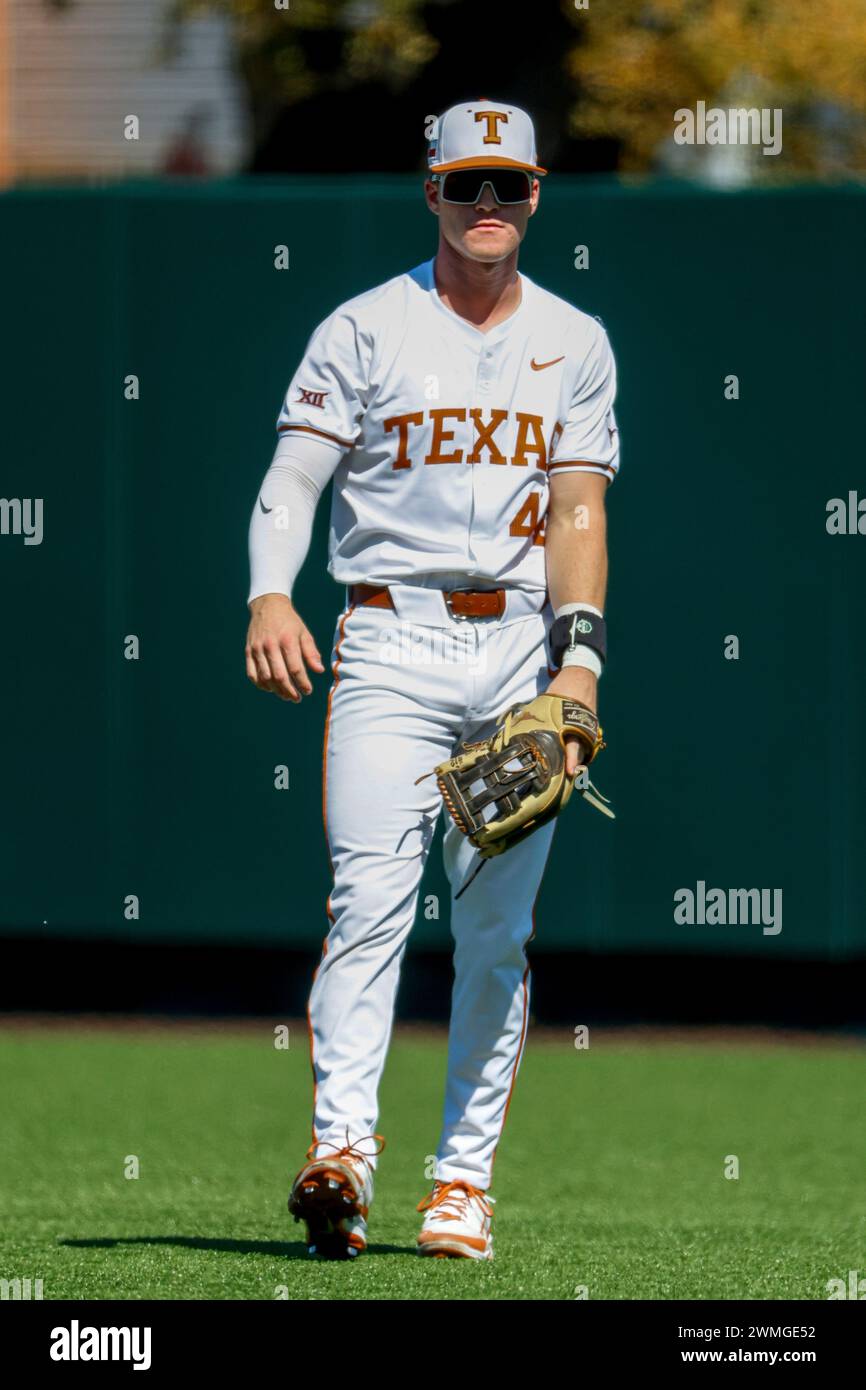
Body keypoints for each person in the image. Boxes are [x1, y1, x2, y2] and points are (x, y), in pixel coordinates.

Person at [245, 99, 620, 1261]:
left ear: (536, 195)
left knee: (494, 932)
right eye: (467, 185)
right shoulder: (363, 327)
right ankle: (341, 1158)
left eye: (508, 185)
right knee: (367, 906)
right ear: (431, 195)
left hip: (515, 649)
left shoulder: (576, 338)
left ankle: (460, 1183)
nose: (489, 206)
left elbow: (576, 510)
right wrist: (268, 592)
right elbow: (294, 480)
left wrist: (579, 664)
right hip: (388, 641)